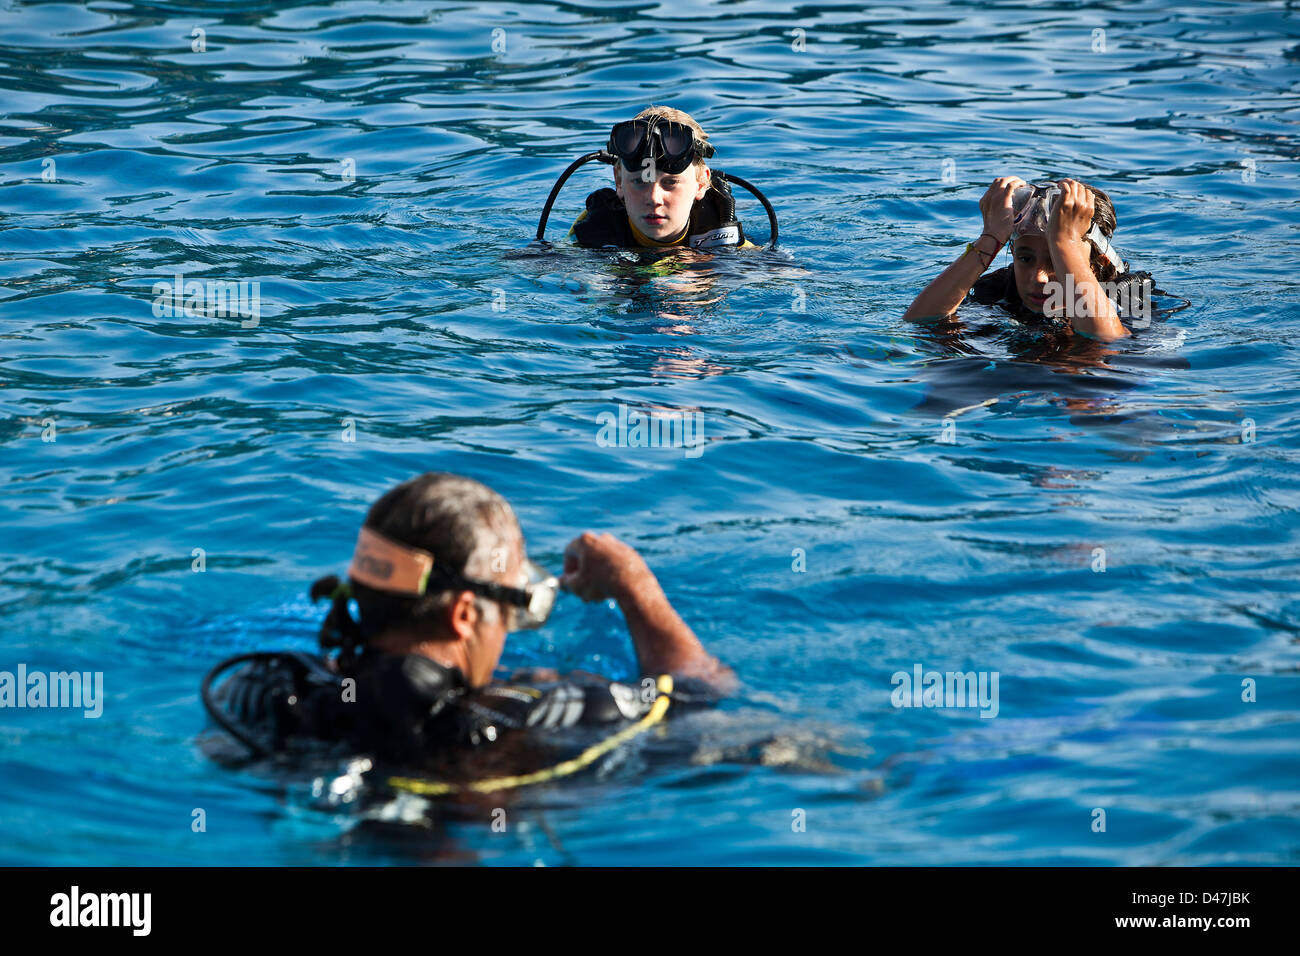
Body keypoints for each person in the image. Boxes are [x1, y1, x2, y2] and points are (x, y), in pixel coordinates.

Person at [201, 472, 732, 783]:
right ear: (462, 616)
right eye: (513, 602)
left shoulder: (269, 689)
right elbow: (703, 691)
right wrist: (633, 582)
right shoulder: (534, 717)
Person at [903, 177, 1157, 342]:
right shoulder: (1000, 293)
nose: (1039, 277)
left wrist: (1065, 242)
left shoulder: (1129, 299)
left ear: (1098, 262)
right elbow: (920, 321)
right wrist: (990, 238)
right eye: (1025, 258)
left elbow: (1108, 341)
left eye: (1056, 260)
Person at [569, 105, 760, 250]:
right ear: (619, 181)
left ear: (701, 183)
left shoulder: (721, 231)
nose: (653, 198)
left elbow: (782, 275)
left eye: (670, 182)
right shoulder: (595, 229)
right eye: (639, 181)